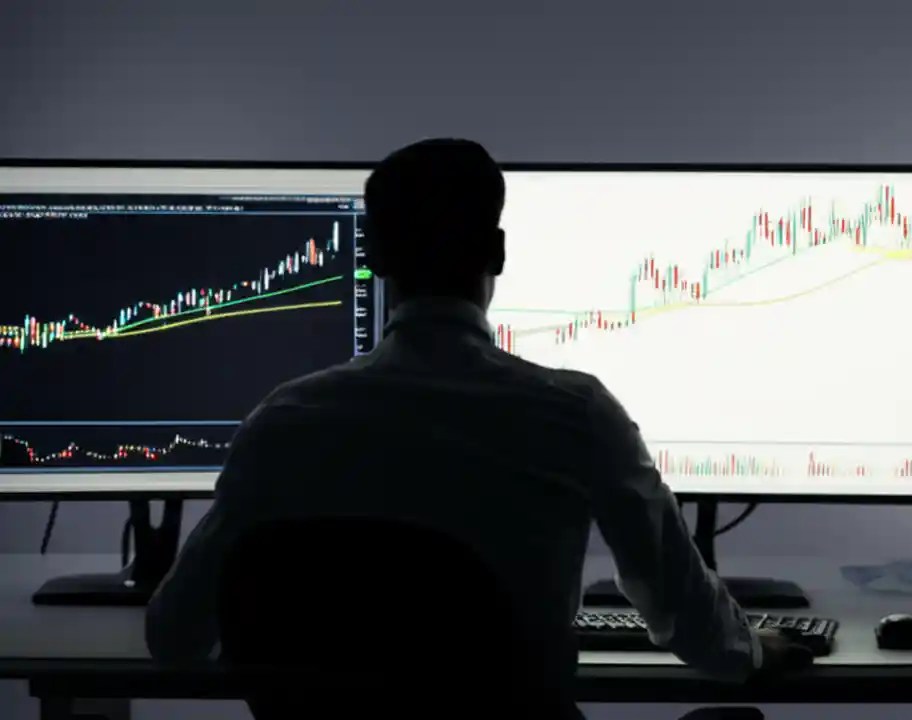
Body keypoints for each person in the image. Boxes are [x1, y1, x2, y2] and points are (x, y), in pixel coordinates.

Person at [144, 138, 813, 694]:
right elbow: (689, 619)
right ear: (496, 255)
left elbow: (174, 638)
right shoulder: (575, 414)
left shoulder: (284, 422)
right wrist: (752, 650)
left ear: (372, 255)